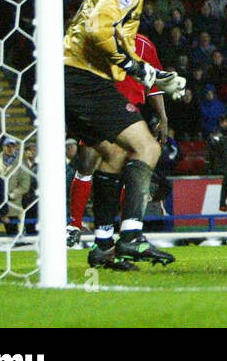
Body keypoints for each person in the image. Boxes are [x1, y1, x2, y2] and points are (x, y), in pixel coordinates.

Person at [63, 0, 185, 271]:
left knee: (114, 154)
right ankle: (132, 235)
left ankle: (103, 246)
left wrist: (153, 74)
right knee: (148, 147)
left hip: (73, 75)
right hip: (83, 77)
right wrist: (139, 69)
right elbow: (98, 29)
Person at [68, 32, 166, 246]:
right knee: (87, 162)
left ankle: (114, 234)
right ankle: (74, 226)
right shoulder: (100, 37)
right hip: (101, 106)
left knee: (122, 166)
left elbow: (154, 84)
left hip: (130, 111)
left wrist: (163, 117)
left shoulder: (144, 44)